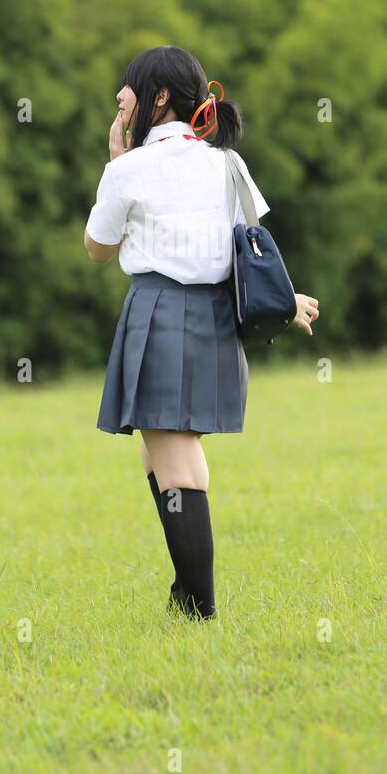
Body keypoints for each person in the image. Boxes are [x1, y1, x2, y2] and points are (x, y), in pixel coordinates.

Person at [84, 45, 319, 620]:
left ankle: (199, 608)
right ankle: (184, 594)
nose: (120, 101)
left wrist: (115, 160)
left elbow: (96, 248)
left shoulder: (131, 168)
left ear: (158, 98)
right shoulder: (226, 163)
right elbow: (248, 245)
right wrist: (285, 301)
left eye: (129, 90)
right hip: (217, 320)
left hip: (161, 312)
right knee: (160, 456)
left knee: (177, 463)